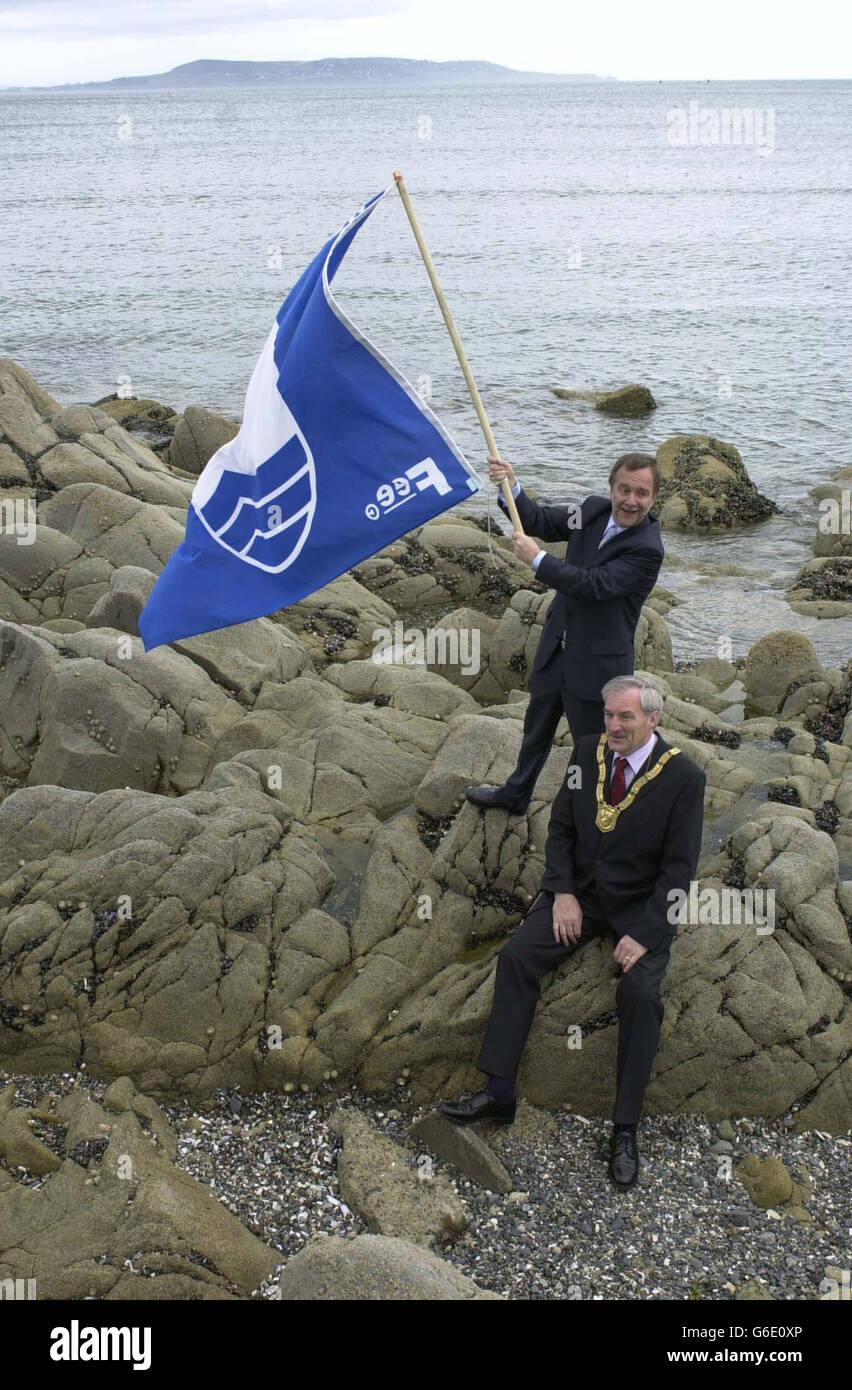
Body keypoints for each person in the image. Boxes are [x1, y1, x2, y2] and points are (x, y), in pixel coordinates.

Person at [438, 676, 705, 1188]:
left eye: (625, 717)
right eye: (608, 715)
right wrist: (561, 893)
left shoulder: (684, 778)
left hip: (640, 908)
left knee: (641, 994)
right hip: (578, 895)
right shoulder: (586, 754)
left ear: (653, 719)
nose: (613, 725)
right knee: (516, 957)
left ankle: (625, 1128)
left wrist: (647, 933)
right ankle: (499, 1093)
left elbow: (679, 870)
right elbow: (561, 828)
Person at [466, 453, 664, 815]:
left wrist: (538, 559)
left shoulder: (647, 549)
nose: (630, 501)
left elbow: (593, 585)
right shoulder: (590, 512)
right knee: (535, 728)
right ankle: (516, 794)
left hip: (598, 666)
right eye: (624, 489)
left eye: (641, 493)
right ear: (612, 487)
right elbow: (538, 519)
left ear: (653, 499)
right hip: (557, 648)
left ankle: (596, 818)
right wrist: (511, 486)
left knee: (592, 750)